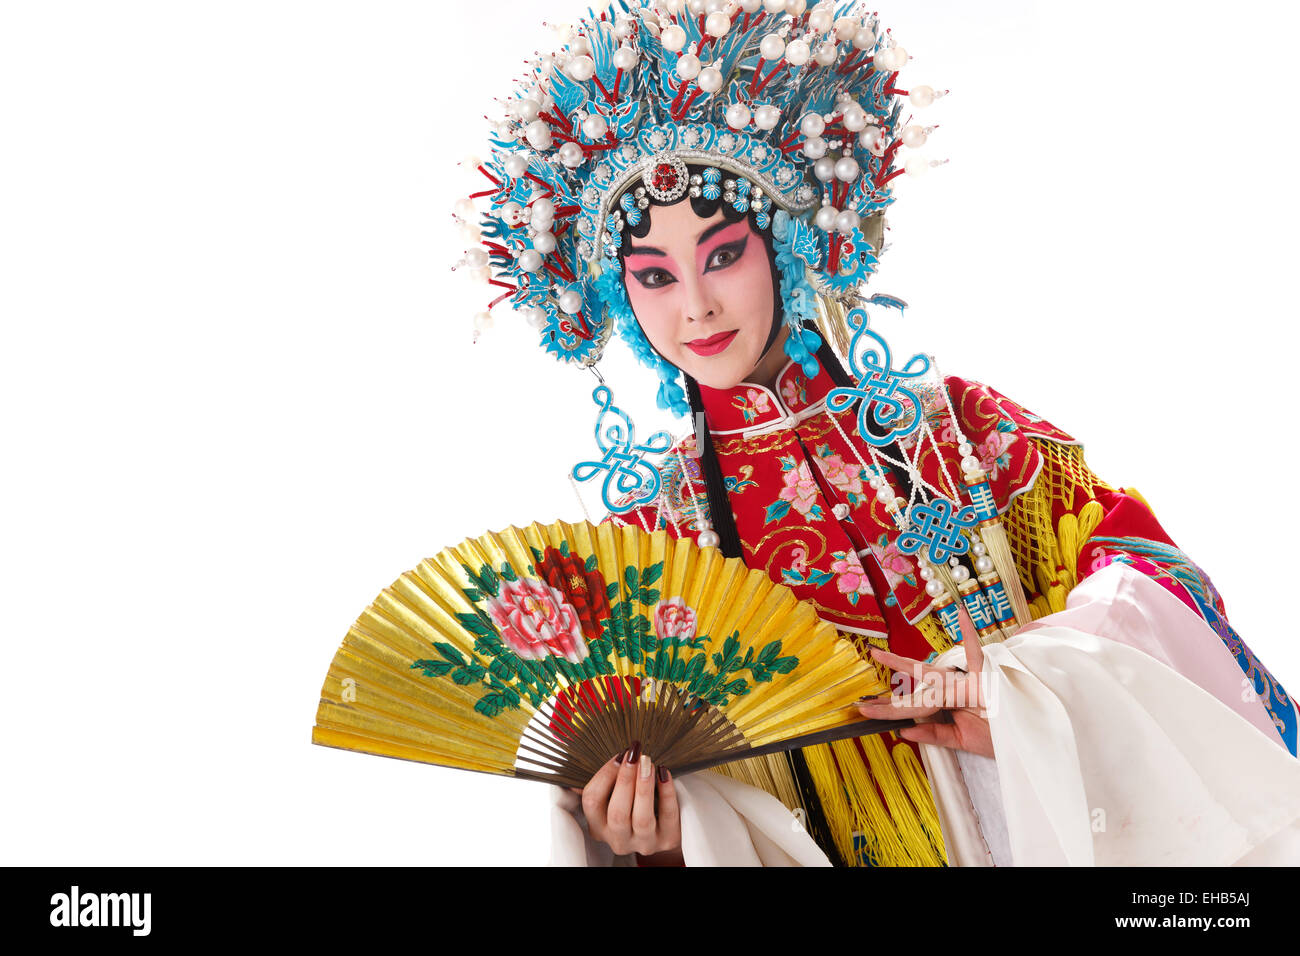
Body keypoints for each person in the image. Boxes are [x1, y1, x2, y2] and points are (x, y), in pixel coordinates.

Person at [460, 0, 1300, 866]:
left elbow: (1160, 586)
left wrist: (1028, 692)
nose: (697, 305)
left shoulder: (963, 434)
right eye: (654, 276)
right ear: (619, 295)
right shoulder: (648, 548)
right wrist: (645, 838)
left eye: (722, 254)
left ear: (787, 241)